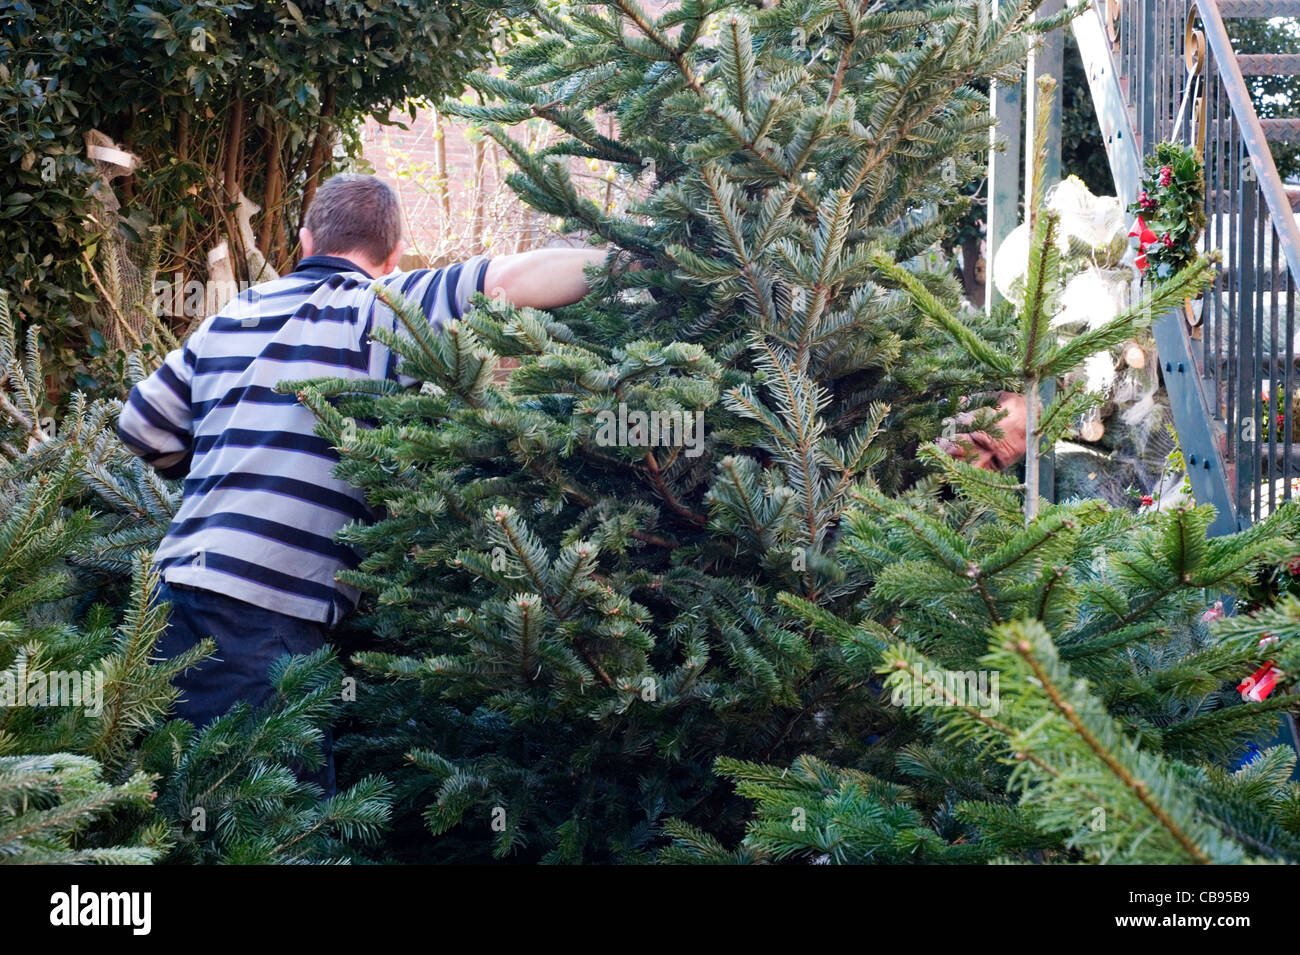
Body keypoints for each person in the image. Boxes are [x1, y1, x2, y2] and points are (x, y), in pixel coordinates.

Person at [117, 174, 611, 794]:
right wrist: (630, 260)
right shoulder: (384, 307)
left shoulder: (235, 313)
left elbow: (142, 426)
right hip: (267, 611)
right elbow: (509, 281)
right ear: (395, 252)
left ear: (305, 239)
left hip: (168, 599)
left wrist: (230, 470)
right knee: (280, 825)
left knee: (170, 806)